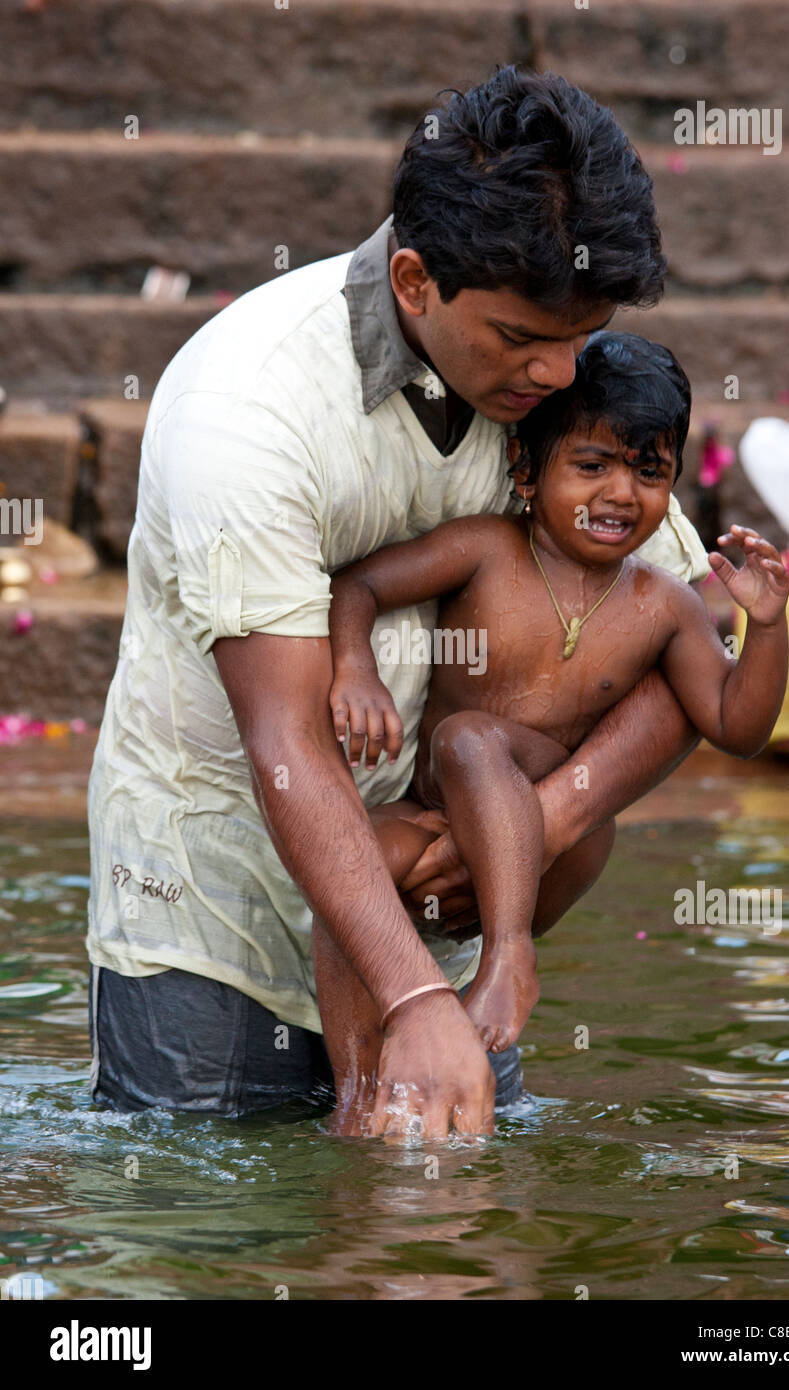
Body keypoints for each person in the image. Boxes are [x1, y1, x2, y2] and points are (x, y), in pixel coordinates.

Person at [85, 66, 709, 1139]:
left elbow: (674, 625)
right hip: (217, 923)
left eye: (582, 332)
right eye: (521, 340)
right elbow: (286, 736)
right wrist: (411, 999)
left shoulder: (565, 388)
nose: (561, 373)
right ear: (414, 282)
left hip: (450, 912)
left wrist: (542, 823)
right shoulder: (251, 411)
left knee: (445, 1226)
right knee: (207, 1227)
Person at [318, 333, 789, 1133]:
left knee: (471, 736)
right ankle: (362, 1098)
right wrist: (353, 670)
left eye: (649, 472)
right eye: (592, 464)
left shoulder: (665, 606)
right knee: (348, 882)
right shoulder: (486, 552)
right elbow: (359, 584)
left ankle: (508, 955)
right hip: (437, 814)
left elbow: (737, 729)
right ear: (528, 473)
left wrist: (768, 626)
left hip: (555, 849)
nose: (619, 494)